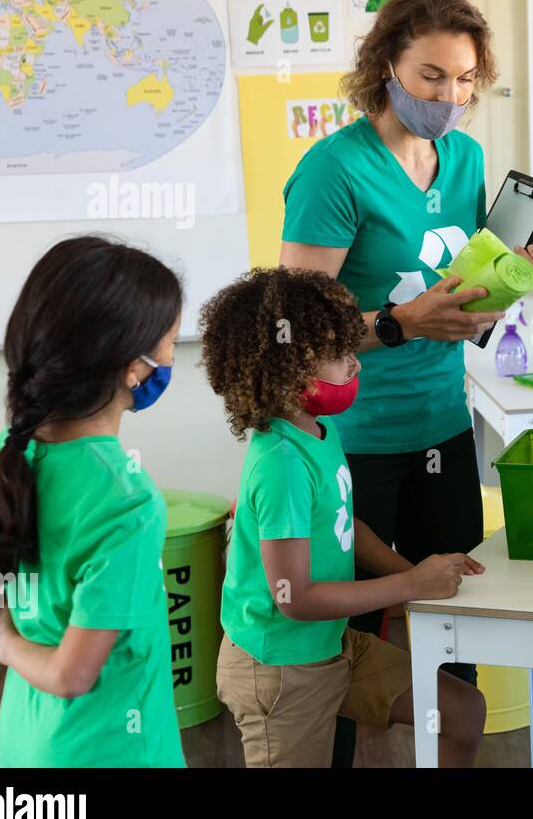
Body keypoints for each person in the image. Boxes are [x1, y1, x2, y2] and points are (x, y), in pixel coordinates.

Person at [278, 0, 533, 762]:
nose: (450, 96)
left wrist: (507, 282)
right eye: (431, 76)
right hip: (351, 439)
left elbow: (464, 290)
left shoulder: (463, 158)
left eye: (466, 80)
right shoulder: (334, 172)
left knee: (450, 618)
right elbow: (292, 336)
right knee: (346, 639)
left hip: (442, 426)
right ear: (385, 66)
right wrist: (400, 324)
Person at [199, 267, 487, 767]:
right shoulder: (281, 465)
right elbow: (295, 598)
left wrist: (424, 571)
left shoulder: (319, 432)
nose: (355, 362)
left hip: (330, 645)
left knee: (461, 711)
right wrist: (411, 585)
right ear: (288, 369)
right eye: (338, 353)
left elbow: (346, 527)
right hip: (281, 670)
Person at [0, 236, 186, 767]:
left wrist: (10, 635)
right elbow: (73, 676)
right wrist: (7, 643)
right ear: (130, 365)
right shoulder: (128, 501)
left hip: (28, 744)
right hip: (114, 751)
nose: (171, 356)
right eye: (169, 341)